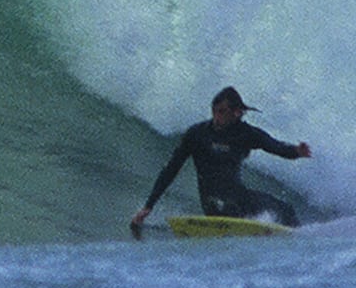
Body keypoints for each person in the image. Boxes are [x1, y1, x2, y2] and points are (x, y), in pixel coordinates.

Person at [130, 87, 311, 231]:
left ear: (237, 112)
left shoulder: (246, 134)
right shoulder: (197, 134)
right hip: (214, 203)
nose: (217, 117)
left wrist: (296, 151)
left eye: (222, 112)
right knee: (244, 205)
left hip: (238, 200)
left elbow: (275, 146)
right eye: (215, 111)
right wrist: (148, 206)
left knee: (286, 209)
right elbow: (171, 169)